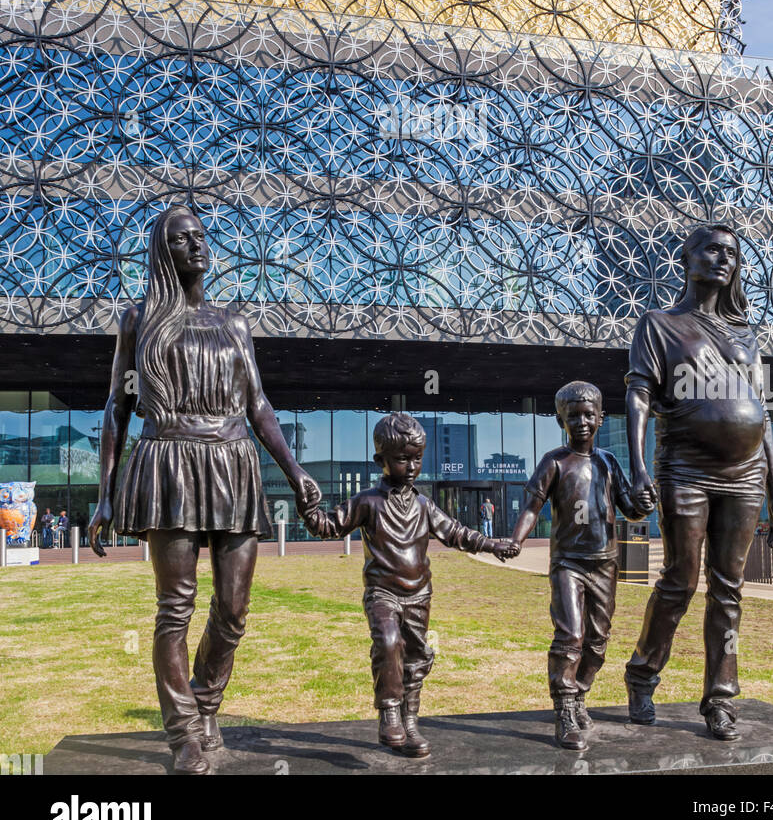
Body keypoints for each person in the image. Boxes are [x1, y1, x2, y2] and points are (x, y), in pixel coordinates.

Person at [88, 205, 321, 776]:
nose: (197, 245)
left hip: (233, 461)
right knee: (176, 607)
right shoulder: (138, 319)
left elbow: (258, 403)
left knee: (233, 609)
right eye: (182, 238)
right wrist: (104, 492)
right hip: (168, 459)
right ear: (163, 251)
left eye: (200, 236)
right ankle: (185, 733)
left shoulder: (234, 323)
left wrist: (295, 470)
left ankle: (206, 702)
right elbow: (116, 410)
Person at [624, 223, 773, 741]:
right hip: (686, 469)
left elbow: (762, 414)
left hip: (745, 476)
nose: (723, 259)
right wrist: (638, 466)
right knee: (680, 581)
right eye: (711, 249)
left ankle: (720, 698)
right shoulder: (659, 324)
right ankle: (642, 673)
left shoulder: (747, 335)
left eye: (732, 253)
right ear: (688, 258)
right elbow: (639, 396)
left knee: (729, 591)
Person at [299, 412, 518, 757]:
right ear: (380, 461)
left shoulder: (424, 505)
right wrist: (308, 507)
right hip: (383, 593)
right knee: (388, 642)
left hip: (419, 595)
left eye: (417, 458)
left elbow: (458, 533)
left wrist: (494, 545)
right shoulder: (367, 502)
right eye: (402, 458)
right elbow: (329, 526)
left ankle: (410, 722)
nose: (412, 466)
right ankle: (389, 712)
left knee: (415, 659)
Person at [510, 381, 652, 751]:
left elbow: (630, 508)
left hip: (605, 563)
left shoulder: (608, 463)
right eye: (573, 416)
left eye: (589, 414)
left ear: (601, 418)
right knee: (569, 636)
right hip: (568, 563)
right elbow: (531, 507)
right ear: (562, 420)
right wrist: (516, 540)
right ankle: (564, 709)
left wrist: (645, 503)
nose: (582, 422)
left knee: (598, 643)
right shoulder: (554, 462)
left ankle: (579, 693)